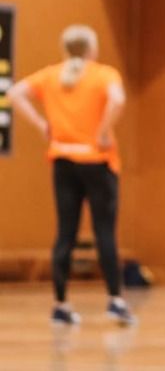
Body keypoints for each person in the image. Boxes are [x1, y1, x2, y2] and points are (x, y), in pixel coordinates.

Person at [8, 25, 135, 325]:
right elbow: (118, 100)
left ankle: (60, 305)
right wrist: (103, 131)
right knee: (104, 231)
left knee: (65, 232)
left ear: (65, 49)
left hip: (63, 160)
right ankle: (115, 300)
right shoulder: (103, 74)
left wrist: (42, 126)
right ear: (92, 49)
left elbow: (15, 93)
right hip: (97, 161)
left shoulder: (51, 75)